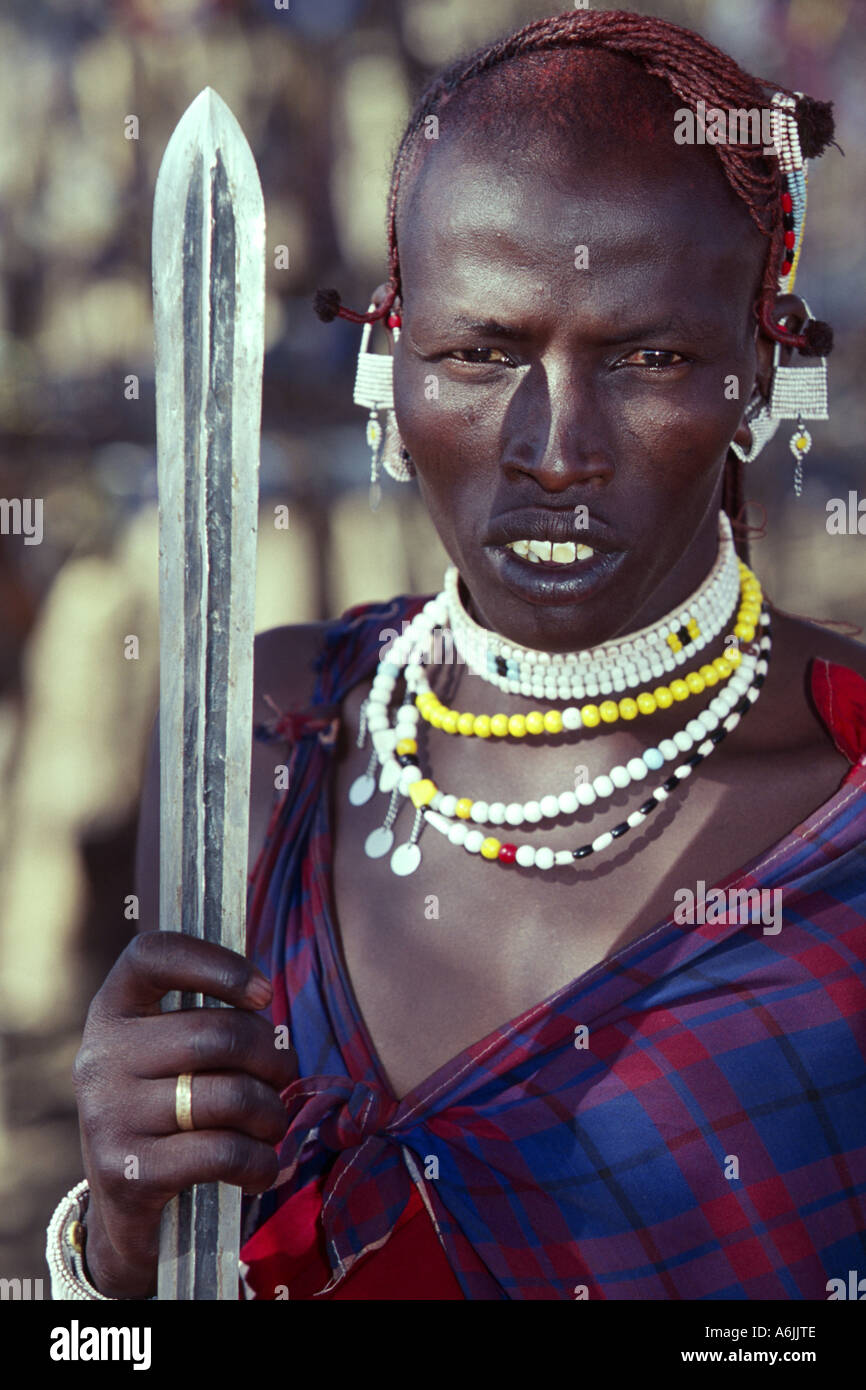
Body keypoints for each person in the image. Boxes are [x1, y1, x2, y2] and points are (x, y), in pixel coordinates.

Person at [49, 8, 866, 1301]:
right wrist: (114, 1252)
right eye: (480, 353)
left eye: (650, 357)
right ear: (389, 363)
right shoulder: (257, 735)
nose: (555, 449)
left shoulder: (844, 780)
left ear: (760, 372)